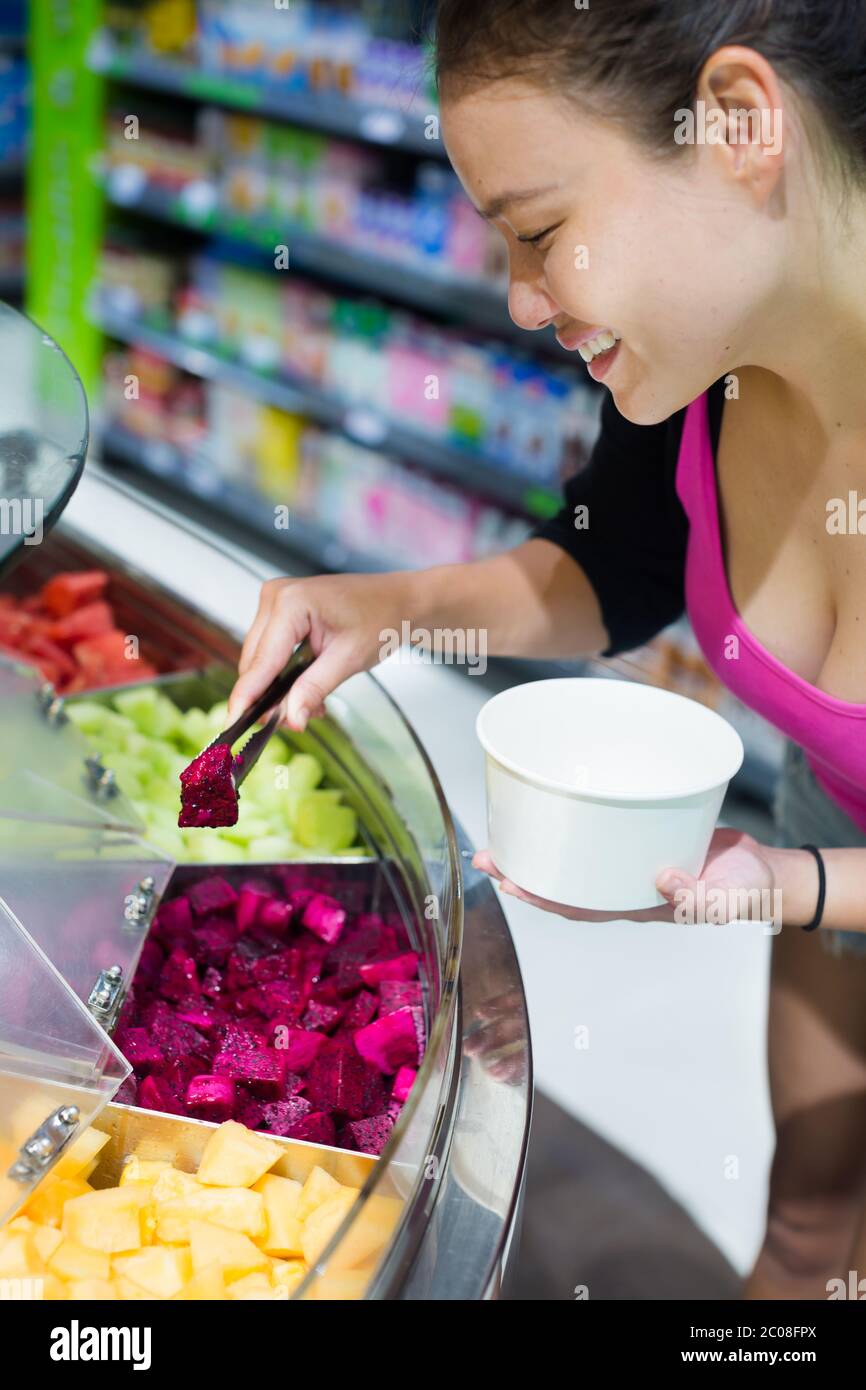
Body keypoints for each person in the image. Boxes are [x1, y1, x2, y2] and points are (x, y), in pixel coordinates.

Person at [229, 0, 866, 1298]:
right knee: (805, 1235)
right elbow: (611, 563)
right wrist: (392, 602)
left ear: (739, 123)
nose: (523, 302)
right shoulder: (706, 363)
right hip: (827, 836)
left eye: (539, 233)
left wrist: (793, 884)